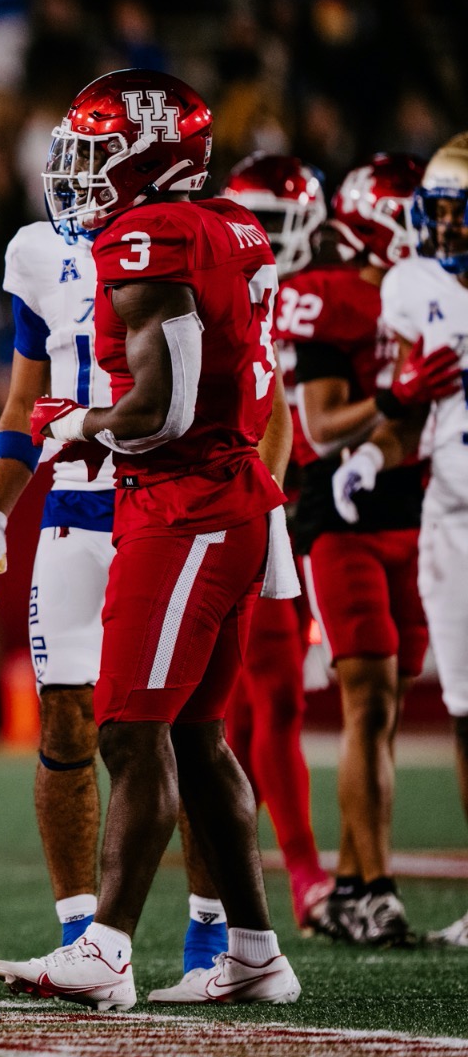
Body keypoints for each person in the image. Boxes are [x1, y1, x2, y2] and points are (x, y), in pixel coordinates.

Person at [0, 69, 302, 1009]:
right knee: (201, 737)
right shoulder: (227, 223)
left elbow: (161, 410)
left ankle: (108, 945)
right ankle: (252, 950)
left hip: (185, 500)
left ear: (147, 156)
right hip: (229, 494)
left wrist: (79, 423)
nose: (81, 174)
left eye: (95, 152)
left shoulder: (149, 235)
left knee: (131, 727)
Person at [0, 148, 236, 982]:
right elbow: (23, 398)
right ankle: (83, 933)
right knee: (67, 719)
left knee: (185, 727)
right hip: (74, 509)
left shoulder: (183, 239)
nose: (77, 182)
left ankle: (209, 937)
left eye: (95, 162)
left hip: (160, 500)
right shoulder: (37, 250)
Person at [274, 153, 429, 946]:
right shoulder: (328, 298)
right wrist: (403, 396)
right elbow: (323, 422)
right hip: (343, 516)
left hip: (422, 511)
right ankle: (374, 885)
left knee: (392, 705)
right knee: (367, 699)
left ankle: (350, 882)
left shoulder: (433, 292)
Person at [335, 132, 468, 947]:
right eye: (441, 215)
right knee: (465, 710)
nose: (447, 233)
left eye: (463, 217)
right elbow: (415, 413)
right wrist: (366, 453)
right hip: (452, 514)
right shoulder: (414, 285)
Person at [218, 153, 335, 933]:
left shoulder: (324, 299)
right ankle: (288, 874)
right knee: (244, 702)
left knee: (276, 697)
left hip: (298, 507)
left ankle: (277, 872)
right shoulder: (215, 282)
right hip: (239, 502)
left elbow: (291, 416)